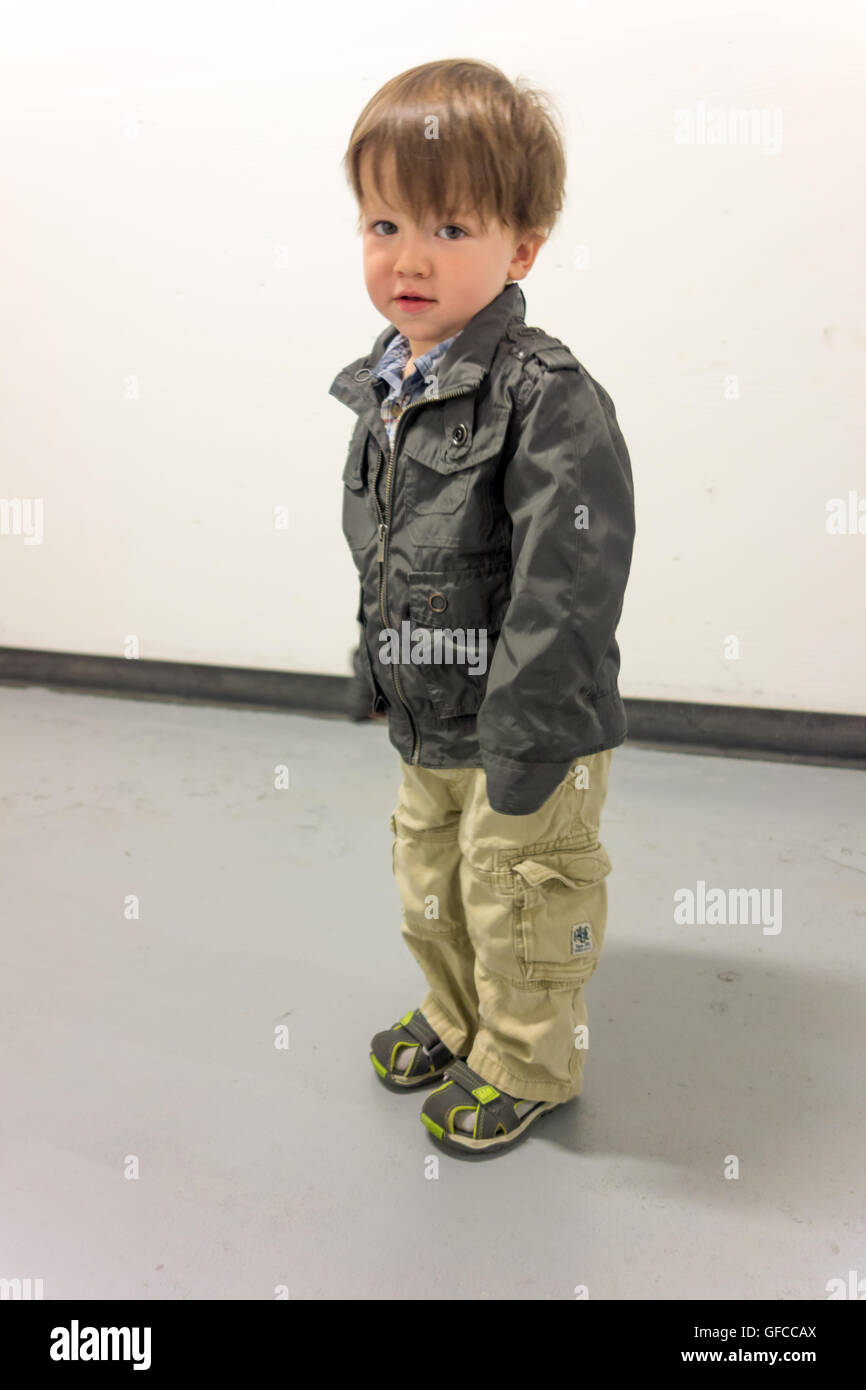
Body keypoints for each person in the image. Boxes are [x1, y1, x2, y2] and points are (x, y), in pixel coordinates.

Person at [328, 58, 636, 1159]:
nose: (407, 257)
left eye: (449, 227)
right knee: (432, 875)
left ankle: (525, 1053)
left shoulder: (544, 397)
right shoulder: (386, 390)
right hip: (429, 705)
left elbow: (569, 579)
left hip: (523, 720)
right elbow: (382, 546)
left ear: (520, 248)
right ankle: (457, 1013)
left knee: (520, 892)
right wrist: (378, 664)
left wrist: (532, 725)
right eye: (382, 222)